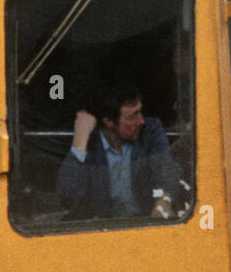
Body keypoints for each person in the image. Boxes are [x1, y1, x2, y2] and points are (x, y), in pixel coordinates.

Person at [57, 80, 185, 220]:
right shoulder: (90, 141)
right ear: (109, 122)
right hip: (103, 229)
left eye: (140, 111)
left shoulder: (150, 130)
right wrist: (79, 141)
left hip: (145, 224)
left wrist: (164, 200)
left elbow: (167, 170)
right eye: (133, 116)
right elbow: (67, 194)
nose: (141, 120)